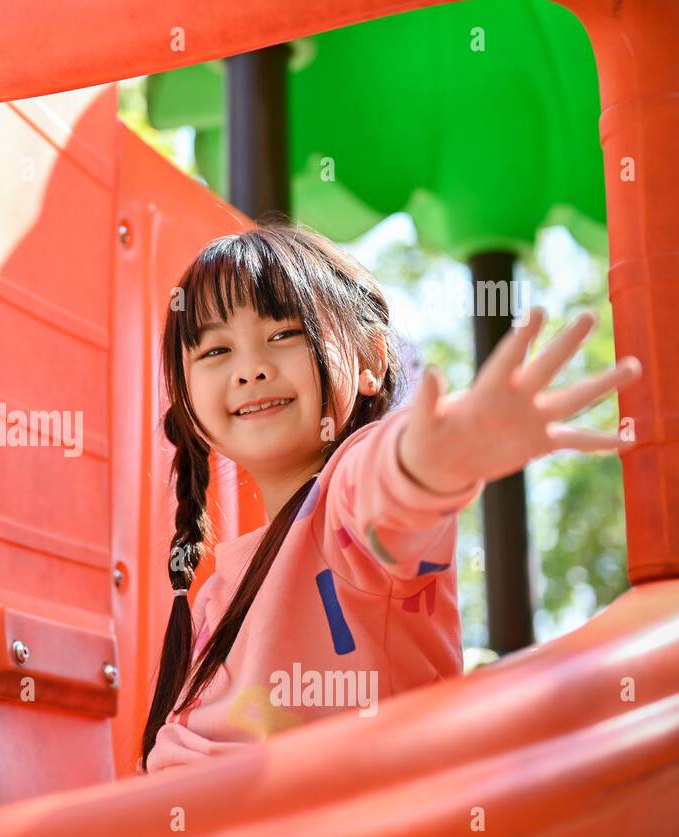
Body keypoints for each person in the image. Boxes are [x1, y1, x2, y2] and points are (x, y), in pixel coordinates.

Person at [139, 222, 642, 775]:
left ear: (371, 362)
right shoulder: (218, 593)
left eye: (284, 334)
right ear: (187, 401)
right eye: (215, 349)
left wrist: (436, 454)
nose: (250, 368)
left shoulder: (347, 504)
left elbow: (387, 484)